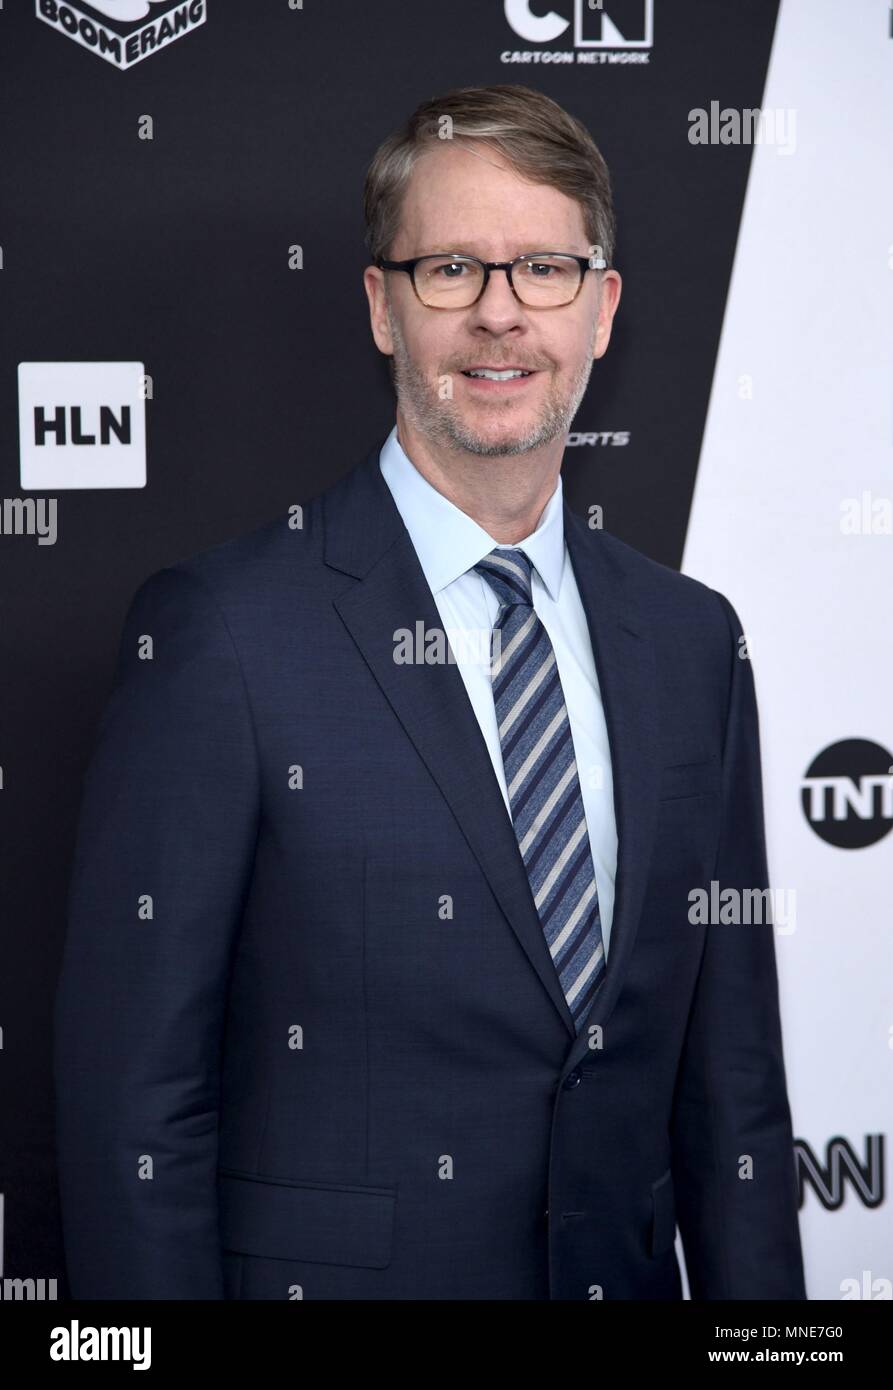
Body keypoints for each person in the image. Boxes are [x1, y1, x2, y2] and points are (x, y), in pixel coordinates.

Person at [53, 83, 806, 1300]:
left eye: (545, 270)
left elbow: (733, 1096)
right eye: (451, 268)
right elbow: (134, 1104)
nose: (501, 314)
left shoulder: (691, 642)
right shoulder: (223, 635)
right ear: (382, 308)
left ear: (602, 310)